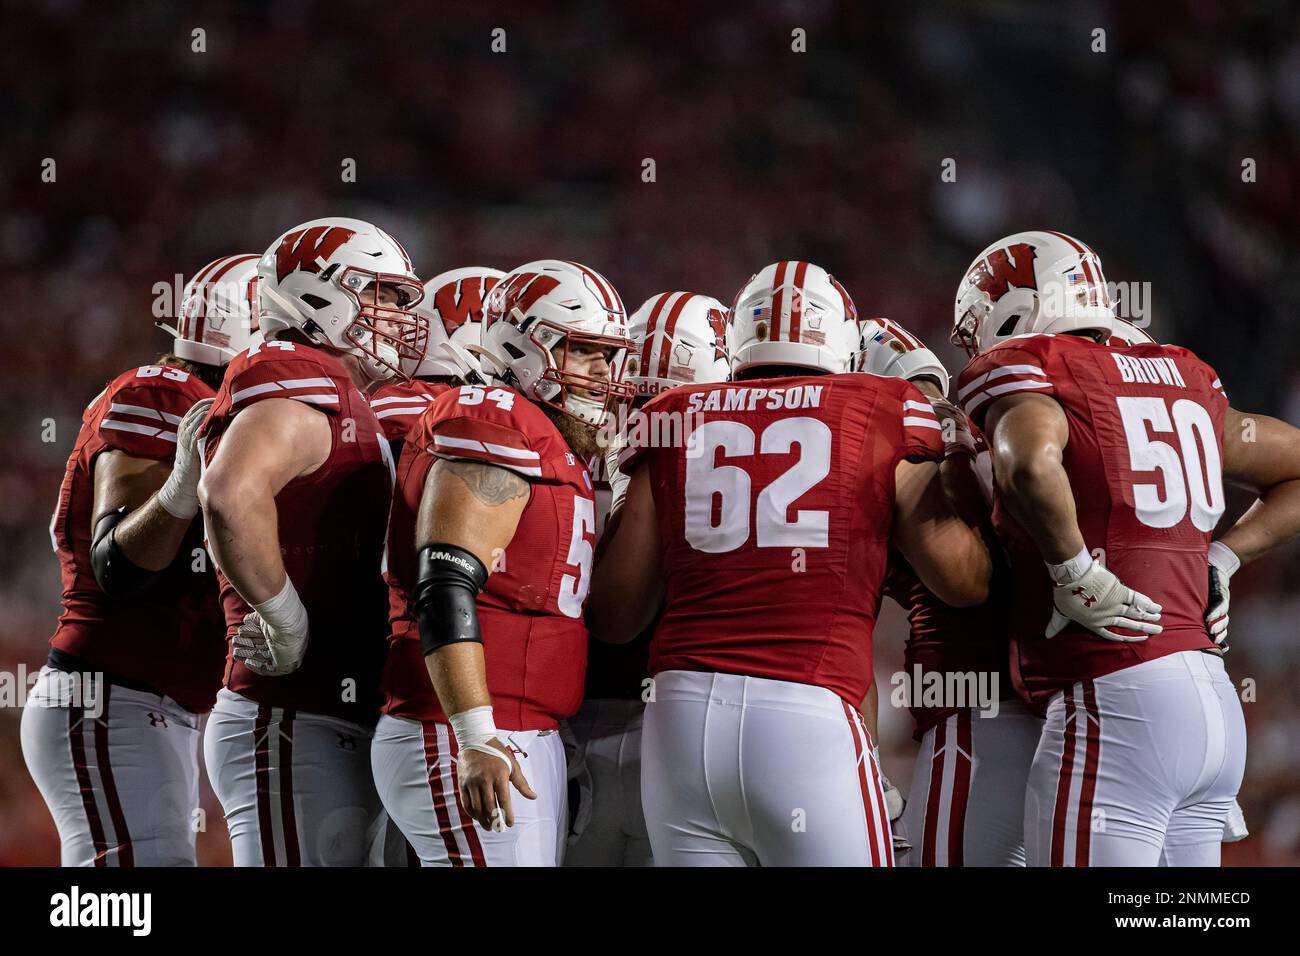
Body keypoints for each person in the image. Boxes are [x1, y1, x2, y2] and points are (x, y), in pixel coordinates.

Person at [587, 261, 991, 866]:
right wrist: (960, 469)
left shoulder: (674, 414)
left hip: (677, 721)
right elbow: (962, 582)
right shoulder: (882, 405)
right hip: (807, 712)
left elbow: (615, 614)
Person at [953, 229, 1300, 866]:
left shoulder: (1038, 369)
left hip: (1115, 700)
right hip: (1213, 707)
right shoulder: (1181, 375)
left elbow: (1027, 462)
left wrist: (1073, 566)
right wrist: (1223, 558)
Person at [370, 259, 633, 866]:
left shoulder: (540, 433)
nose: (602, 372)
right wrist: (475, 733)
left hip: (510, 728)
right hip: (457, 726)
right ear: (522, 345)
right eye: (582, 351)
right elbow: (445, 584)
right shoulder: (493, 419)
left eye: (608, 354)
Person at [197, 217, 427, 866]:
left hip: (325, 715)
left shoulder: (341, 390)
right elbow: (229, 491)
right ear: (319, 294)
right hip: (289, 715)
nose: (399, 316)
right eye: (382, 294)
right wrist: (284, 619)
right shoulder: (298, 370)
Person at [23, 254, 260, 865]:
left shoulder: (222, 406)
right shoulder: (165, 394)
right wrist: (181, 489)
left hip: (152, 704)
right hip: (109, 696)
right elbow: (122, 563)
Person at [566, 290, 730, 868]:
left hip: (606, 723)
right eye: (634, 398)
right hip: (683, 728)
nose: (646, 416)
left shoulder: (564, 452)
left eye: (663, 402)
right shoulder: (735, 468)